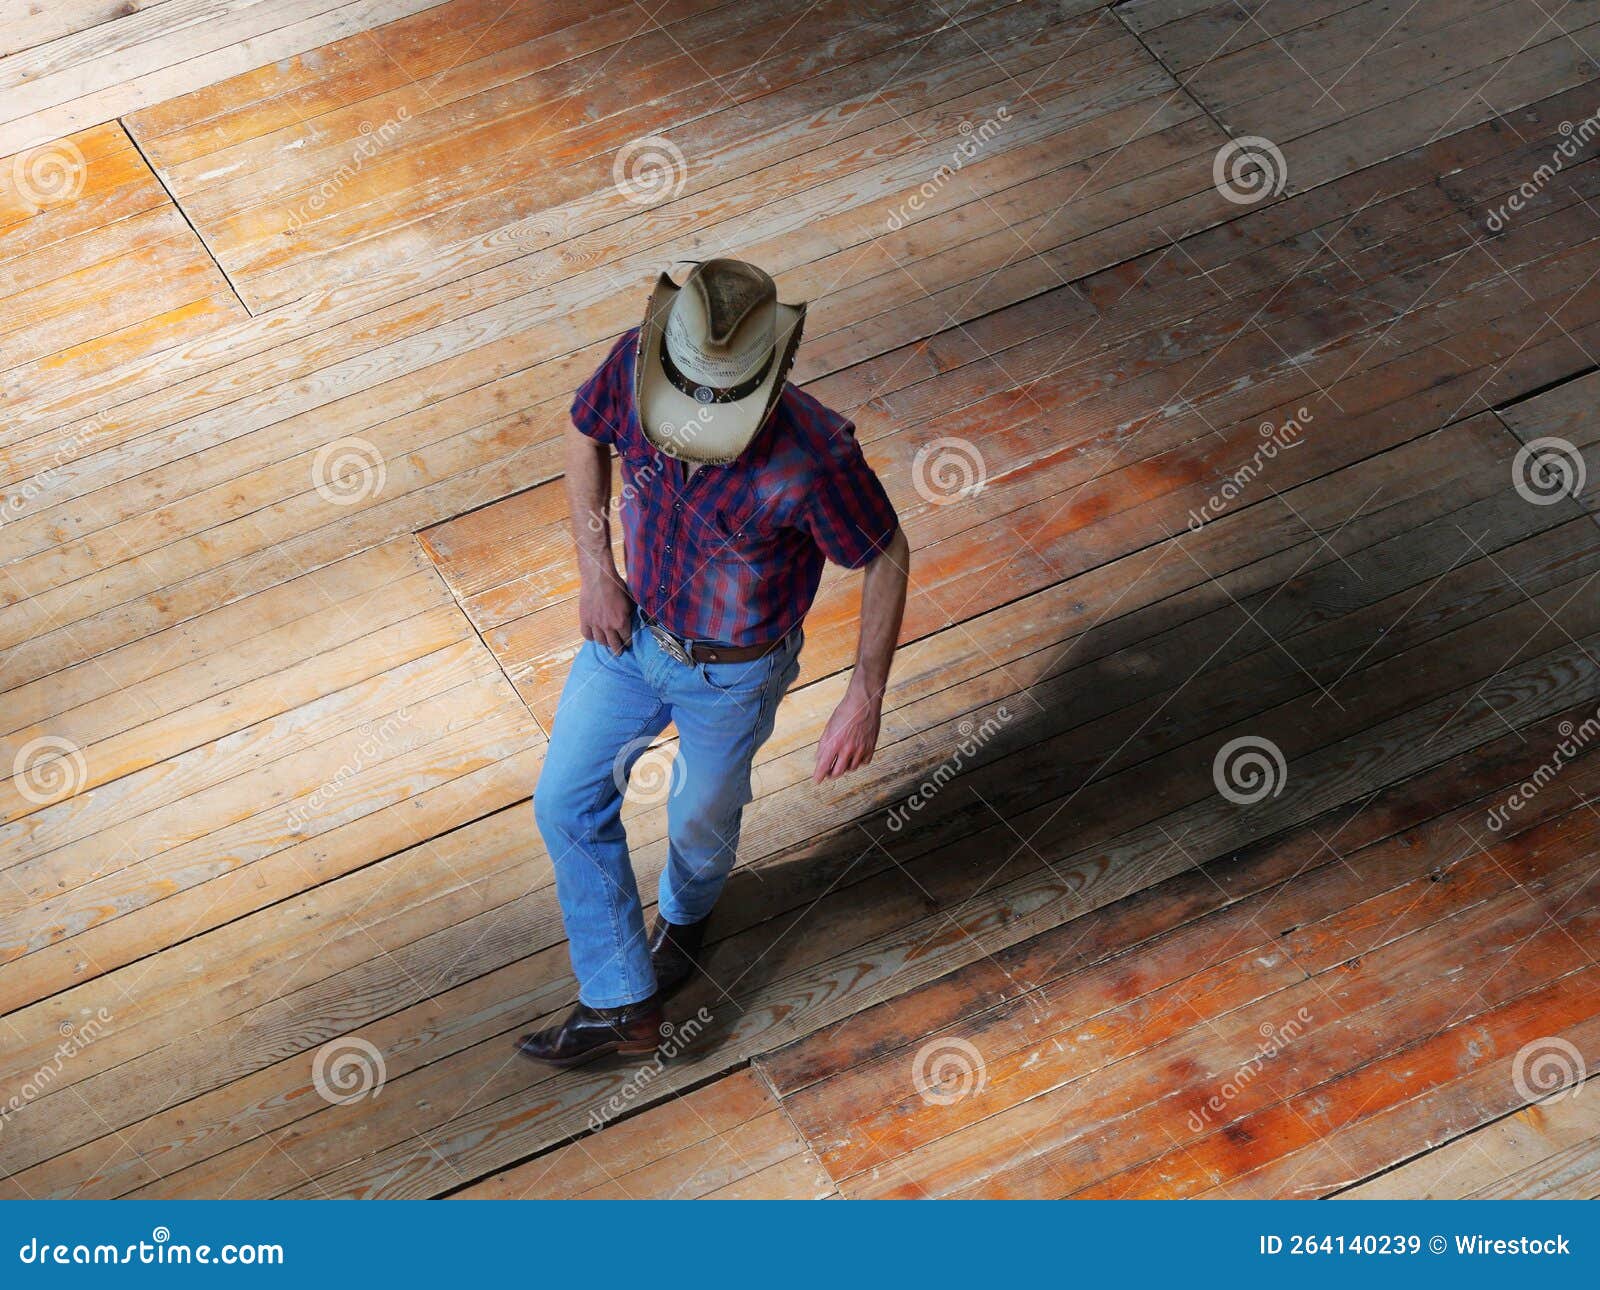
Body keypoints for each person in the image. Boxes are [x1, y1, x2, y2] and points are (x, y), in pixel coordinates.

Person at [517, 258, 910, 1066]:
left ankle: (687, 924)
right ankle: (623, 1006)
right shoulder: (636, 361)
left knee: (700, 822)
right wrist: (597, 573)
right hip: (628, 638)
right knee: (564, 802)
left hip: (733, 674)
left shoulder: (813, 456)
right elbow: (582, 432)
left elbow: (886, 553)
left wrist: (864, 692)